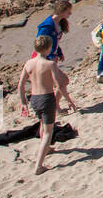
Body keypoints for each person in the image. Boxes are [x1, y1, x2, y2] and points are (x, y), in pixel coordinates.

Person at [18, 35, 77, 175]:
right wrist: (69, 100)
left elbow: (20, 86)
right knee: (48, 132)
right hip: (47, 98)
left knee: (42, 124)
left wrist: (23, 103)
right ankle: (39, 166)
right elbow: (60, 85)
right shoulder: (50, 64)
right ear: (49, 48)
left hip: (34, 99)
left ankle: (47, 149)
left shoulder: (28, 63)